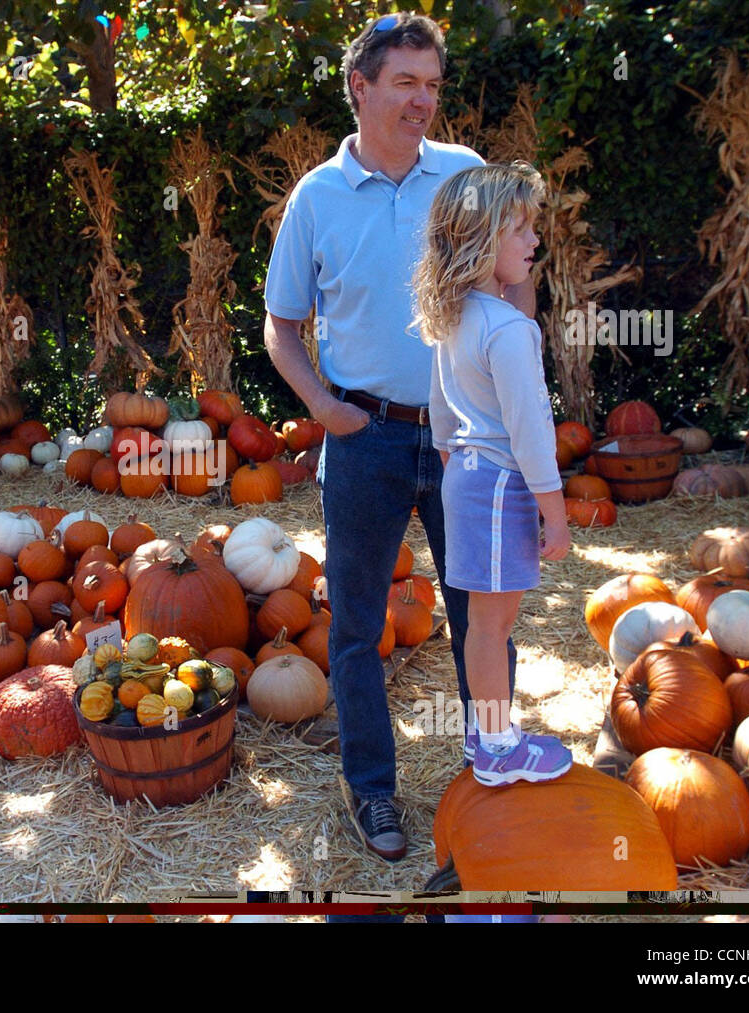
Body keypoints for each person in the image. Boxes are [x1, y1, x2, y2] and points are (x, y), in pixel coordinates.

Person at [264, 12, 534, 863]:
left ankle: (486, 772)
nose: (423, 101)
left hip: (466, 442)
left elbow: (516, 281)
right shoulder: (317, 197)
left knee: (479, 614)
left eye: (433, 85)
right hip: (365, 437)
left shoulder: (465, 177)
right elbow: (280, 325)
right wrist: (324, 407)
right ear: (362, 86)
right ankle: (373, 789)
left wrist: (508, 374)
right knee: (355, 624)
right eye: (406, 83)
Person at [418, 161, 572, 784]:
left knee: (483, 620)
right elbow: (532, 431)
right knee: (492, 624)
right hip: (503, 480)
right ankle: (499, 750)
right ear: (482, 240)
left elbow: (436, 401)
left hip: (469, 476)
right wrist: (555, 514)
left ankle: (487, 734)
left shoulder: (458, 318)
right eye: (520, 229)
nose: (534, 241)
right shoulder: (508, 331)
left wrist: (452, 452)